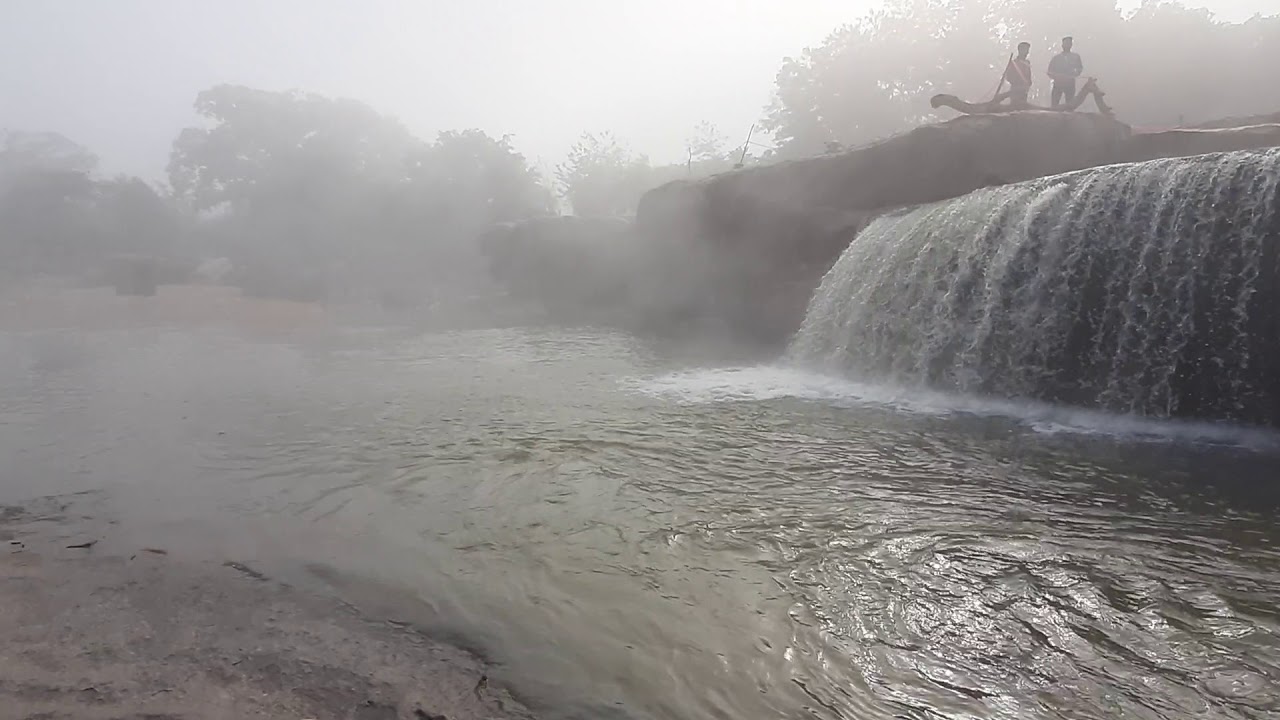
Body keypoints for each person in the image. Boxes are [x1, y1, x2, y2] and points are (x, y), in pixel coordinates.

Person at [1048, 36, 1084, 108]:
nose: (1067, 45)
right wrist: (1056, 77)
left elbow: (1079, 69)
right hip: (1058, 84)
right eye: (1065, 43)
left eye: (1069, 43)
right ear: (1062, 45)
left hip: (1070, 83)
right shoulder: (1056, 58)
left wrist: (1074, 74)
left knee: (1070, 104)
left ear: (1071, 45)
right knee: (1054, 105)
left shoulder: (1075, 57)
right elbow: (1049, 71)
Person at [1003, 42, 1033, 107]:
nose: (1027, 52)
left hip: (1024, 90)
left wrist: (1028, 83)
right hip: (1015, 89)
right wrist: (1017, 83)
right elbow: (1008, 77)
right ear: (1020, 50)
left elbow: (1028, 76)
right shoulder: (1013, 63)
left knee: (1023, 107)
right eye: (1025, 50)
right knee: (1014, 107)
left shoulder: (1027, 62)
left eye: (1028, 50)